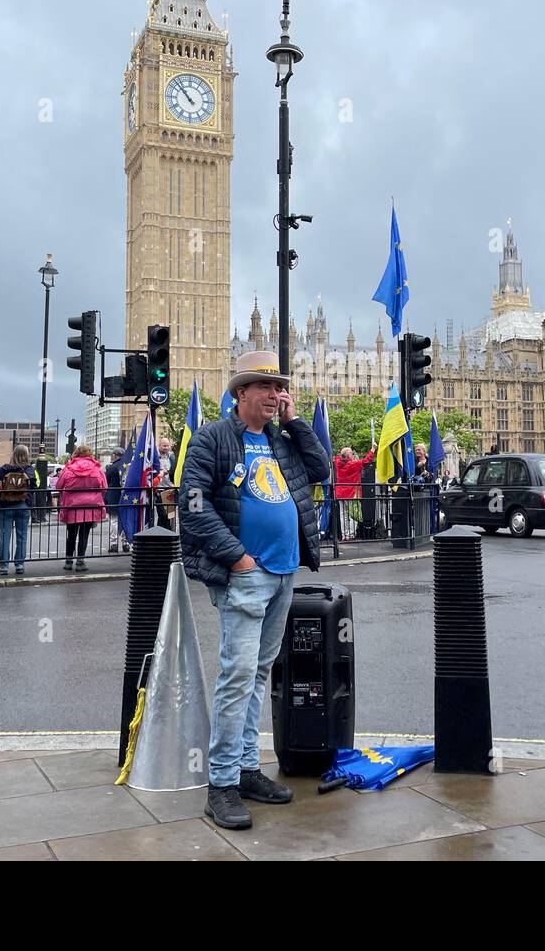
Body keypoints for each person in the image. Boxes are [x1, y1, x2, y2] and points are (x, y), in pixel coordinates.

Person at [179, 350, 330, 831]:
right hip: (247, 574)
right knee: (237, 677)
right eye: (265, 387)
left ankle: (246, 770)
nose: (274, 394)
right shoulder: (214, 439)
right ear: (240, 392)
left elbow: (320, 469)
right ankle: (221, 784)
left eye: (278, 388)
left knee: (258, 675)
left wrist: (295, 420)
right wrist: (238, 559)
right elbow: (194, 504)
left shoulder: (281, 440)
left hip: (284, 573)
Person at [0, 445, 39, 576]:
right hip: (23, 506)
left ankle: (3, 566)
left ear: (13, 455)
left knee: (5, 536)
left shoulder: (5, 468)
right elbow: (34, 486)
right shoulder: (29, 470)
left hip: (6, 506)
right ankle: (19, 565)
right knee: (22, 536)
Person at [54, 445, 107, 571]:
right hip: (90, 506)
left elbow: (58, 486)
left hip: (72, 506)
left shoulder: (68, 469)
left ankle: (68, 561)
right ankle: (80, 561)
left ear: (76, 454)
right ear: (90, 454)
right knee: (84, 534)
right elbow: (104, 487)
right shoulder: (97, 469)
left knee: (71, 534)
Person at [332, 444, 375, 539]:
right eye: (351, 453)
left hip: (340, 493)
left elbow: (337, 457)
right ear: (348, 456)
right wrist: (372, 449)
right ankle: (351, 534)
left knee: (343, 515)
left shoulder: (338, 462)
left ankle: (345, 535)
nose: (353, 454)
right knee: (354, 515)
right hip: (351, 493)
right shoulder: (352, 465)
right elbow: (366, 461)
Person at [104, 448, 130, 554]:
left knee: (114, 520)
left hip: (113, 495)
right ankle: (125, 543)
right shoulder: (128, 467)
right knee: (124, 520)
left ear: (115, 455)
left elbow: (106, 481)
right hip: (125, 496)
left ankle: (113, 544)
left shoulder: (111, 467)